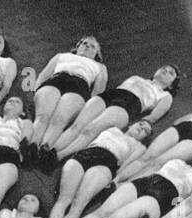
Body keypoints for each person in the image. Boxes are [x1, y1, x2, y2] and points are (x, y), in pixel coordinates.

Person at [51, 64, 179, 159]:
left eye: (171, 73)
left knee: (90, 130)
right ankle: (49, 150)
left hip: (129, 104)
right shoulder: (136, 77)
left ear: (171, 85)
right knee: (77, 125)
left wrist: (136, 126)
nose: (165, 71)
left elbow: (153, 117)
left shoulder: (165, 96)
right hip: (112, 94)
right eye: (164, 68)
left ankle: (58, 156)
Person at [47, 120, 154, 218]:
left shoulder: (138, 146)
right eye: (141, 124)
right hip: (87, 154)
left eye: (145, 131)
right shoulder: (112, 128)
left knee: (78, 204)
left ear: (144, 138)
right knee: (63, 199)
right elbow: (89, 139)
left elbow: (127, 165)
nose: (141, 128)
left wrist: (116, 180)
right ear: (132, 124)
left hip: (107, 163)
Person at [28, 37, 108, 153]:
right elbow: (44, 75)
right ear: (78, 46)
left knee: (59, 120)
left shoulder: (100, 67)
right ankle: (32, 146)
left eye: (92, 46)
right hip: (56, 80)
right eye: (84, 43)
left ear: (96, 53)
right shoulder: (61, 56)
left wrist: (89, 108)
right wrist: (35, 92)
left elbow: (98, 90)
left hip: (79, 85)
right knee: (42, 117)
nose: (87, 46)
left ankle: (44, 148)